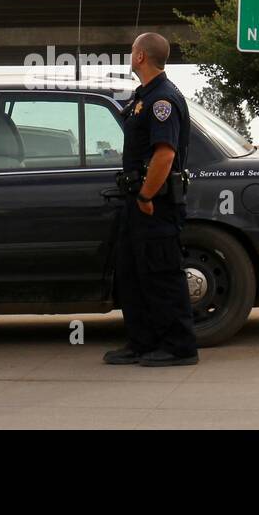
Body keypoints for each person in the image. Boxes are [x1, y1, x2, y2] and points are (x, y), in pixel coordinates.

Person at [104, 32, 199, 367]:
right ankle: (142, 342)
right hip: (136, 201)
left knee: (162, 274)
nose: (130, 55)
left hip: (155, 203)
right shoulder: (143, 96)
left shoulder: (163, 100)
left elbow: (164, 155)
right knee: (132, 275)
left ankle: (178, 347)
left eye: (132, 51)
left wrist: (146, 194)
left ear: (141, 56)